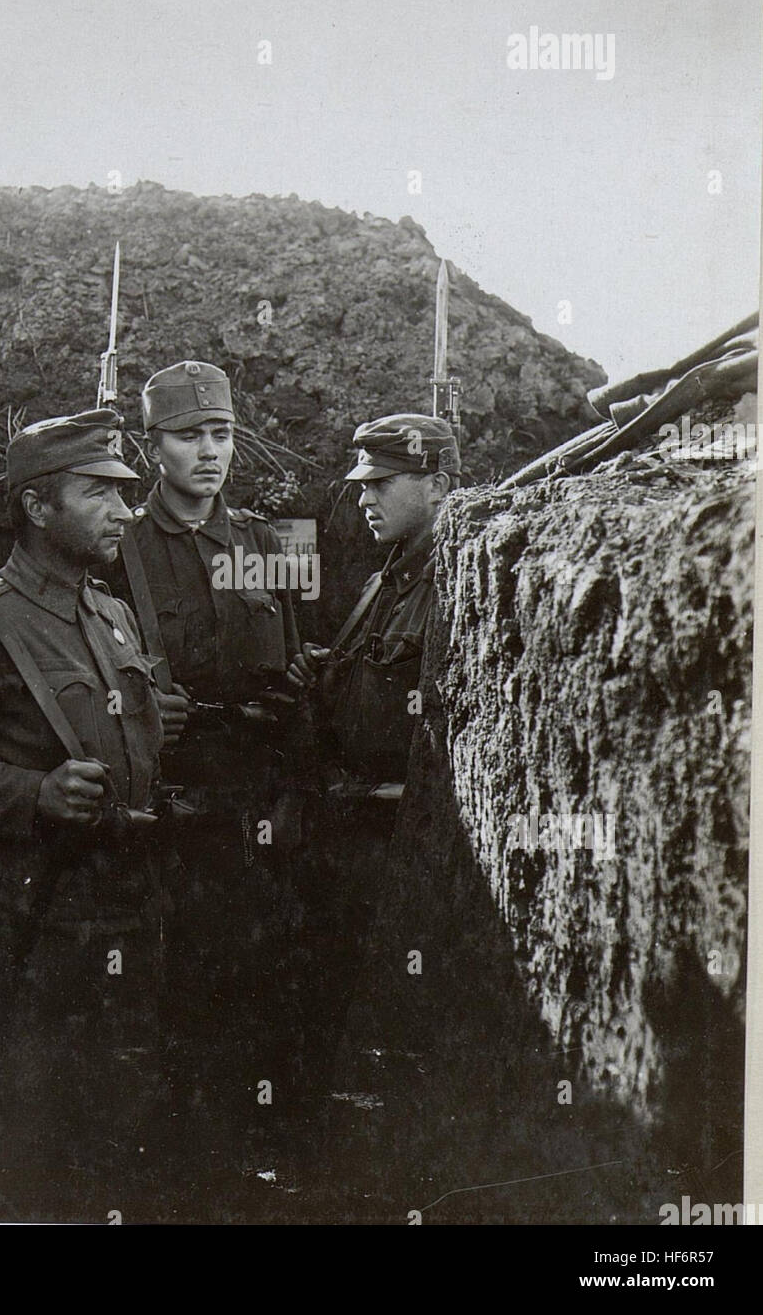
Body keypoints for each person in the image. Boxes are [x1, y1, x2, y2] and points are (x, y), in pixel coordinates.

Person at [0, 407, 170, 1221]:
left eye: (127, 492)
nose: (127, 510)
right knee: (37, 1150)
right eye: (101, 494)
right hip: (32, 934)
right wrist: (34, 796)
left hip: (129, 912)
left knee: (119, 1131)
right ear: (37, 507)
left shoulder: (111, 614)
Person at [107, 360, 308, 1193]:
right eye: (190, 436)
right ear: (153, 448)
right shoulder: (120, 549)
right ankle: (172, 1167)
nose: (210, 451)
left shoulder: (265, 543)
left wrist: (295, 773)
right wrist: (144, 709)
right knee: (162, 986)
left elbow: (300, 666)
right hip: (162, 808)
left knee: (260, 979)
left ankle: (248, 1156)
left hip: (255, 803)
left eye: (221, 433)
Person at [286, 413, 460, 1064]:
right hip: (355, 837)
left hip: (404, 846)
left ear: (437, 485)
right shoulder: (384, 581)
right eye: (361, 483)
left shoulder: (454, 586)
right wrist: (323, 671)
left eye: (381, 483)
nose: (363, 497)